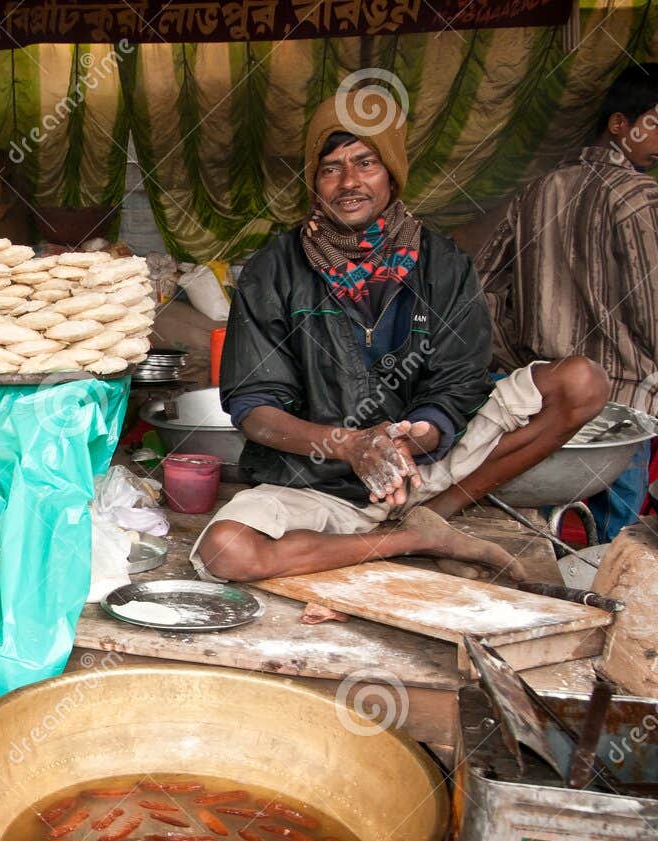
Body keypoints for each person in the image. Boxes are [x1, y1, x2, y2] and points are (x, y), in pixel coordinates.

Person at [193, 97, 608, 583]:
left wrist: (424, 432)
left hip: (427, 470)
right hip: (318, 482)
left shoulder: (444, 264)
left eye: (365, 162)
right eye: (330, 169)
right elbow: (253, 407)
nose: (349, 182)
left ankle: (440, 512)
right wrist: (349, 445)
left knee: (581, 382)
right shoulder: (275, 269)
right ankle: (411, 540)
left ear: (391, 172)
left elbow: (460, 382)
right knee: (228, 553)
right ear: (314, 183)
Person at [476, 63, 658, 539]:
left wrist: (521, 360)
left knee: (538, 525)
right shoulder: (637, 194)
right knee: (609, 540)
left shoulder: (539, 191)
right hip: (623, 402)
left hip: (546, 397)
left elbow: (482, 291)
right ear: (620, 124)